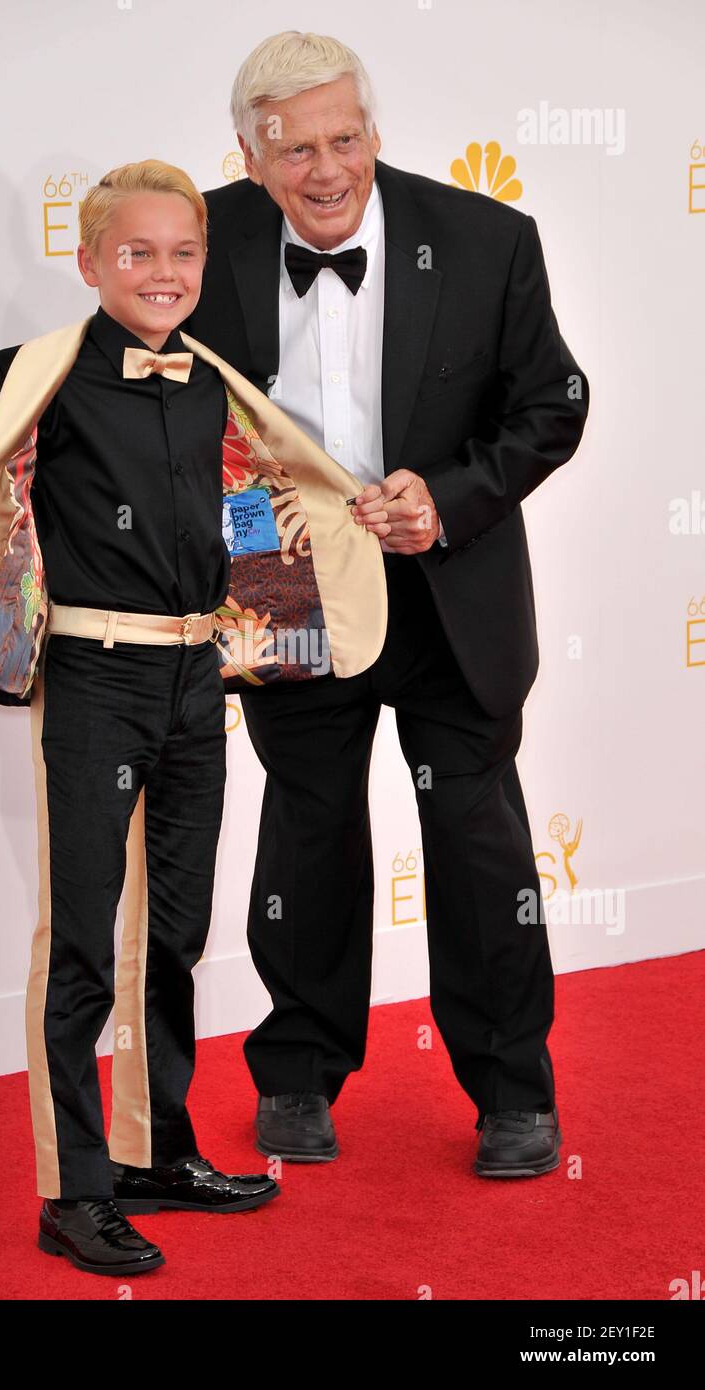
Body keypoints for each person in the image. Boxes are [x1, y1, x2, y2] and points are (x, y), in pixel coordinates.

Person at [184, 31, 590, 1176]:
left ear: (376, 132)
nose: (325, 170)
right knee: (307, 832)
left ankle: (515, 1091)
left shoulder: (485, 238)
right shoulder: (204, 241)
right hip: (287, 585)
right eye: (295, 148)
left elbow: (553, 404)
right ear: (250, 156)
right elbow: (117, 384)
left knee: (477, 842)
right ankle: (300, 1075)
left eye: (345, 138)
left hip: (448, 585)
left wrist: (450, 496)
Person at [0, 161, 283, 1277]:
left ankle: (154, 1148)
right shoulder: (35, 375)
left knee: (171, 934)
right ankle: (71, 1188)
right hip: (92, 677)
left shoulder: (223, 379)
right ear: (89, 263)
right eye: (137, 254)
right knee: (80, 936)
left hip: (197, 681)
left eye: (183, 253)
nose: (163, 273)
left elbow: (257, 509)